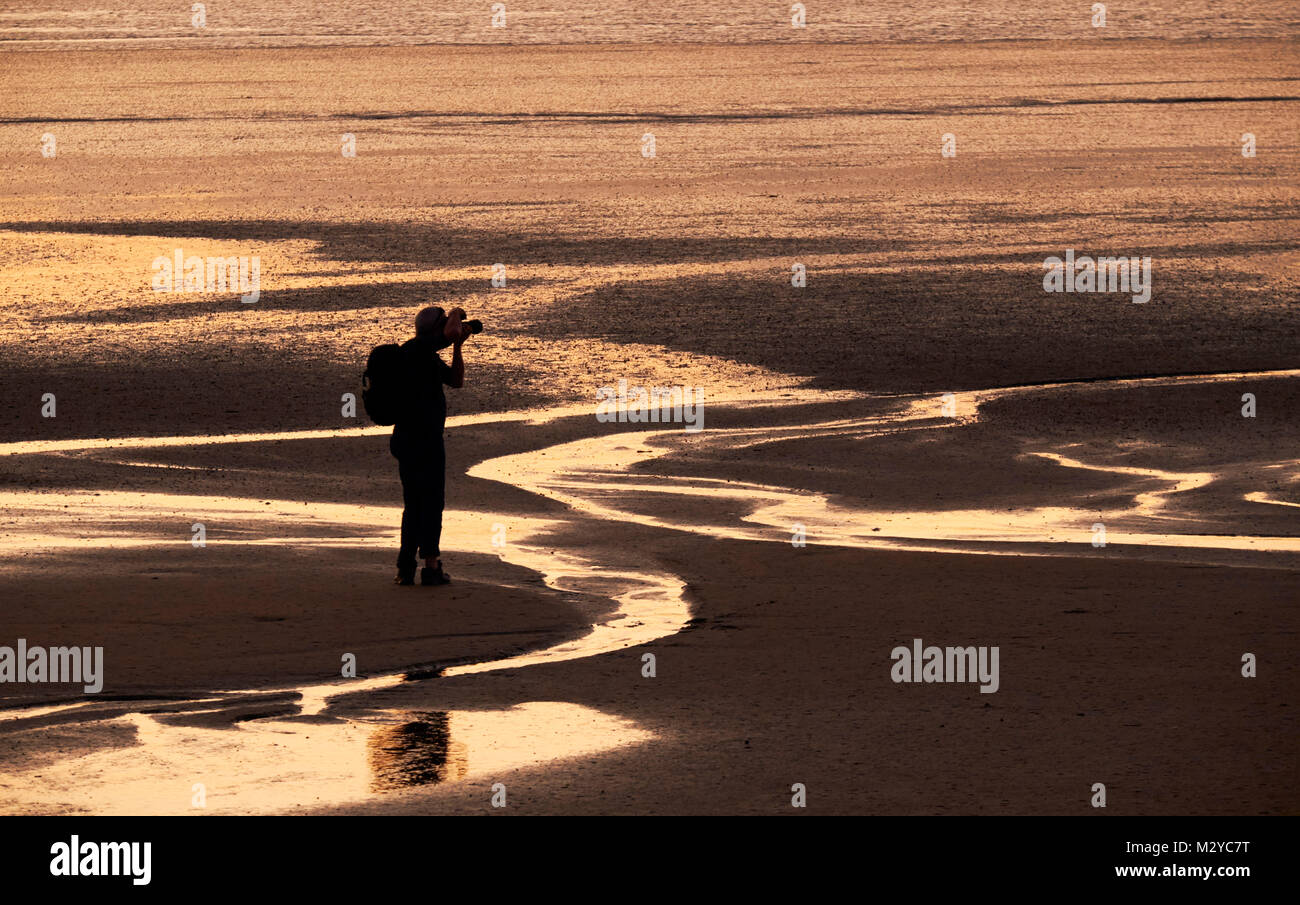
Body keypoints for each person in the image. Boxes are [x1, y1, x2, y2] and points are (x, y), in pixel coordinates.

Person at [391, 305, 468, 586]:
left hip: (403, 439)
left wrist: (456, 346)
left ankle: (404, 569)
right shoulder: (424, 355)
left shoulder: (409, 353)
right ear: (436, 330)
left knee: (413, 504)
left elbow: (455, 381)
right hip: (426, 441)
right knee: (432, 503)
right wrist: (457, 318)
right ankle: (432, 567)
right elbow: (458, 381)